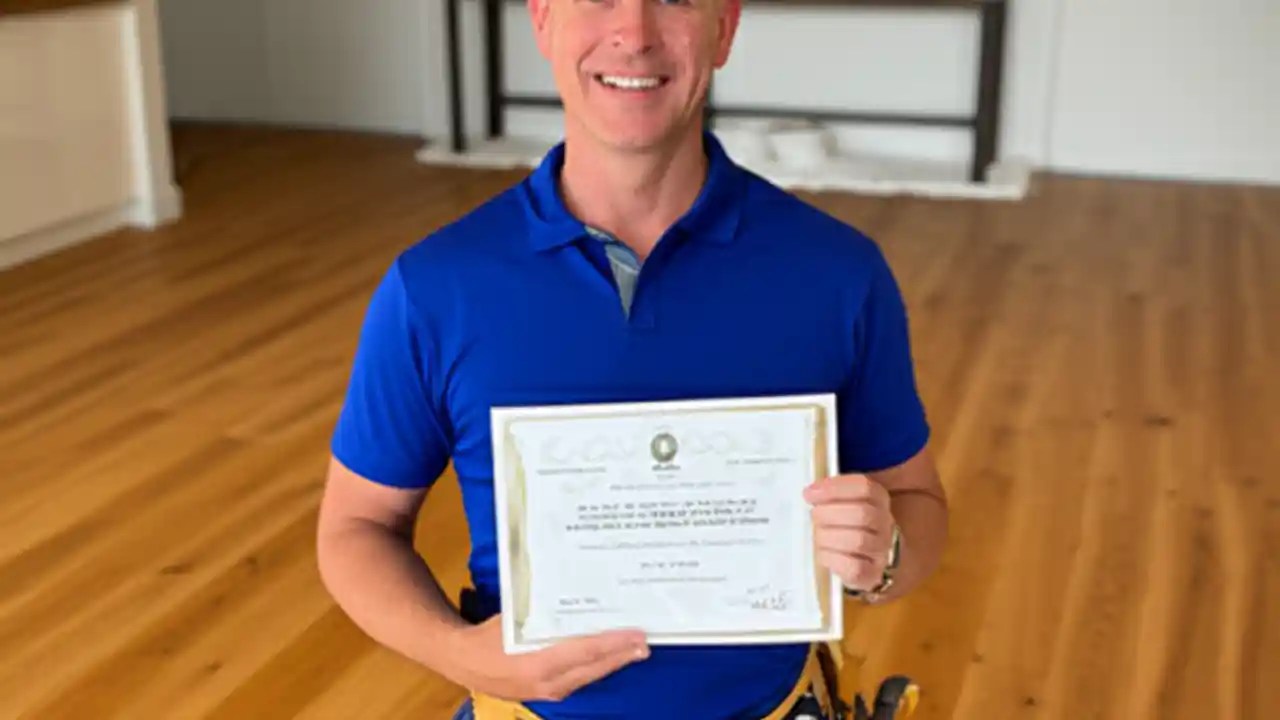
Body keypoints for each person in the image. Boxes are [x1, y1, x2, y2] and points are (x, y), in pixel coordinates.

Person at [315, 0, 948, 715]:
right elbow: (356, 527)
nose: (635, 33)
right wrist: (458, 652)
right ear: (543, 20)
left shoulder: (839, 274)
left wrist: (885, 555)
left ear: (724, 27)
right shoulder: (436, 287)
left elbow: (918, 504)